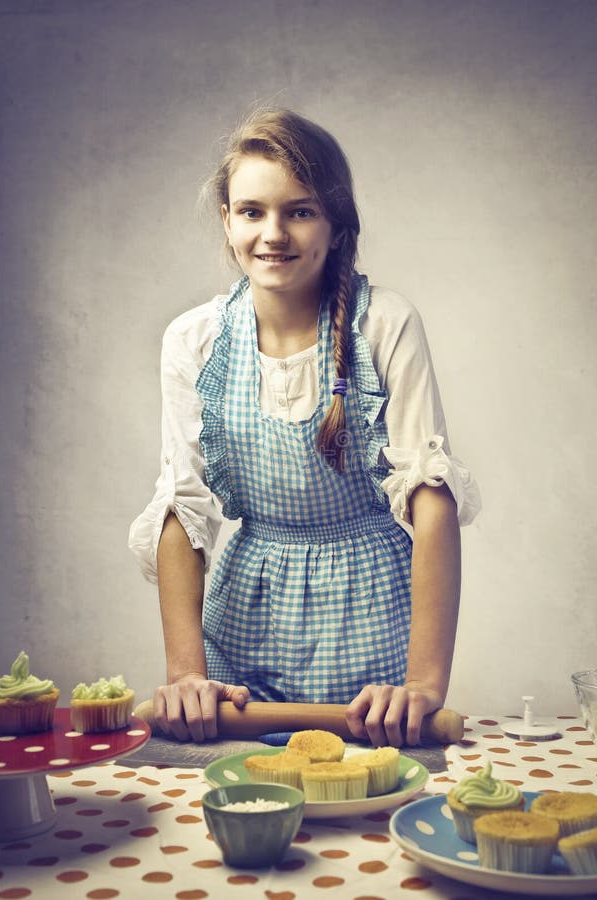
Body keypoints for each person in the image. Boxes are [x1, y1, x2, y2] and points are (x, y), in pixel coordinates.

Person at [129, 108, 480, 748]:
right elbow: (183, 506)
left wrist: (424, 684)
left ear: (337, 224)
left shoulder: (384, 325)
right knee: (239, 805)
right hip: (244, 638)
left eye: (300, 210)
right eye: (252, 211)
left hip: (373, 639)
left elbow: (432, 500)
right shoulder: (194, 340)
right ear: (227, 220)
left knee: (370, 802)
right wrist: (186, 674)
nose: (274, 233)